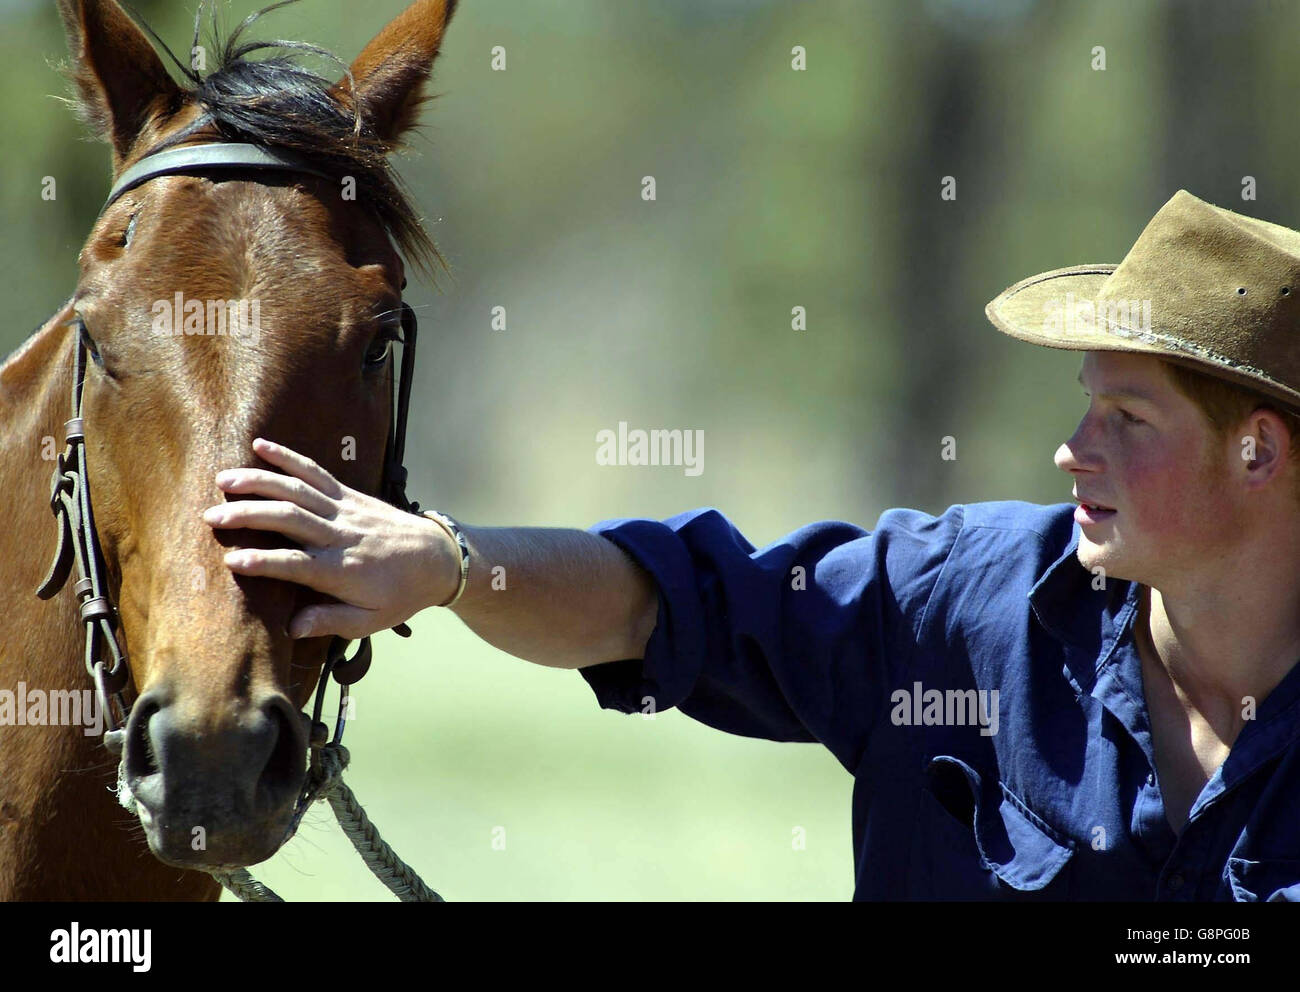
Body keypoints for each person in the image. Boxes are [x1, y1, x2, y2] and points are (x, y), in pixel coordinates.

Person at [202, 189, 1300, 900]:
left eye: (1127, 421)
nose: (1071, 451)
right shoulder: (958, 601)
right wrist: (447, 563)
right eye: (1084, 407)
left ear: (1257, 453)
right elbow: (665, 600)